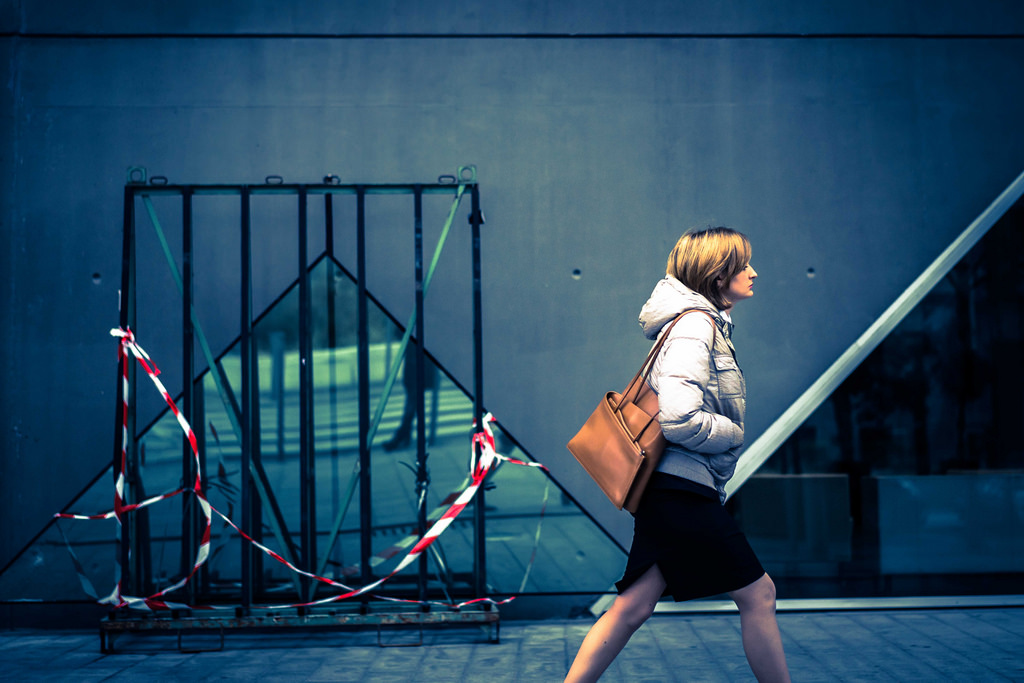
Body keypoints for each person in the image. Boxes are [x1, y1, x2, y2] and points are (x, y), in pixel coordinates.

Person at [565, 227, 790, 683]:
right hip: (680, 489)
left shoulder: (700, 324)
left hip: (670, 487)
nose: (753, 272)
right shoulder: (695, 325)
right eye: (743, 264)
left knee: (634, 606)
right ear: (718, 273)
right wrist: (731, 433)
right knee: (758, 594)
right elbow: (680, 418)